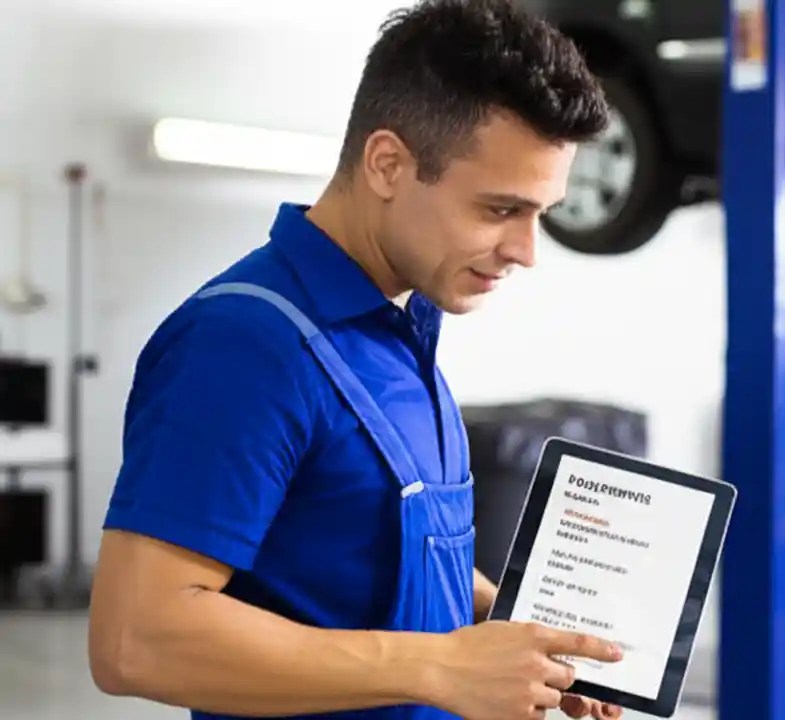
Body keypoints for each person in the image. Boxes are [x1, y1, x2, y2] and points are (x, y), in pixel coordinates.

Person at [86, 2, 626, 719]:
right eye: (500, 210)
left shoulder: (398, 331)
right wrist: (438, 665)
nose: (527, 251)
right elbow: (134, 640)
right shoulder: (245, 345)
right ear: (388, 164)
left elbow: (359, 550)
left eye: (541, 213)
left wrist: (516, 637)